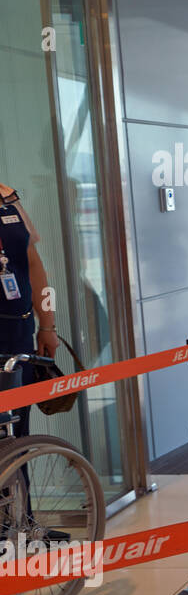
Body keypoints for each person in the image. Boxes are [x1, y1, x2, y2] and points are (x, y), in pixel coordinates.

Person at [0, 180, 66, 542]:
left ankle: (22, 524)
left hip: (17, 334)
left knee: (15, 435)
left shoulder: (6, 194)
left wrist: (48, 324)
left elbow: (32, 261)